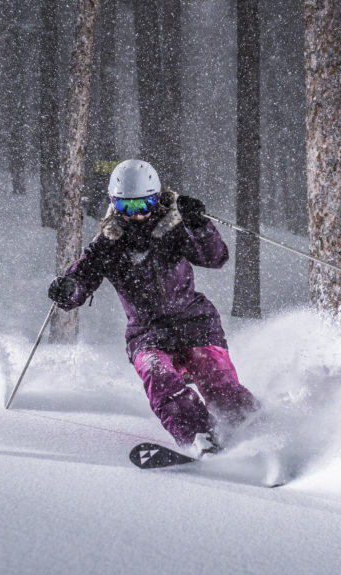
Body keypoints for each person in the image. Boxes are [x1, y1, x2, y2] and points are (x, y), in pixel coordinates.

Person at [48, 159, 258, 456]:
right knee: (159, 379)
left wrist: (199, 224)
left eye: (144, 204)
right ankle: (202, 437)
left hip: (195, 322)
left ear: (157, 198)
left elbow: (215, 258)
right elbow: (81, 279)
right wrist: (67, 289)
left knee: (214, 376)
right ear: (114, 205)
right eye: (127, 208)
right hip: (146, 333)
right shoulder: (108, 243)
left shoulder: (174, 228)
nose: (137, 215)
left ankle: (254, 429)